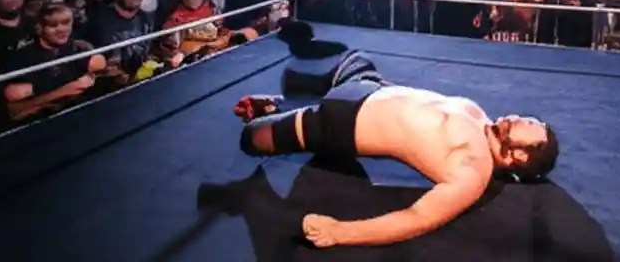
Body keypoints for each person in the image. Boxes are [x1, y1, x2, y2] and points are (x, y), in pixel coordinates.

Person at [234, 49, 558, 248]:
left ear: (519, 156)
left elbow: (416, 218)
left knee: (252, 139)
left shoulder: (472, 170)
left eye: (523, 125)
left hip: (342, 121)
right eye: (525, 118)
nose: (516, 116)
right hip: (370, 86)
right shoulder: (482, 119)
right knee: (357, 57)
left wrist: (339, 232)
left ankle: (282, 113)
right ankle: (286, 104)